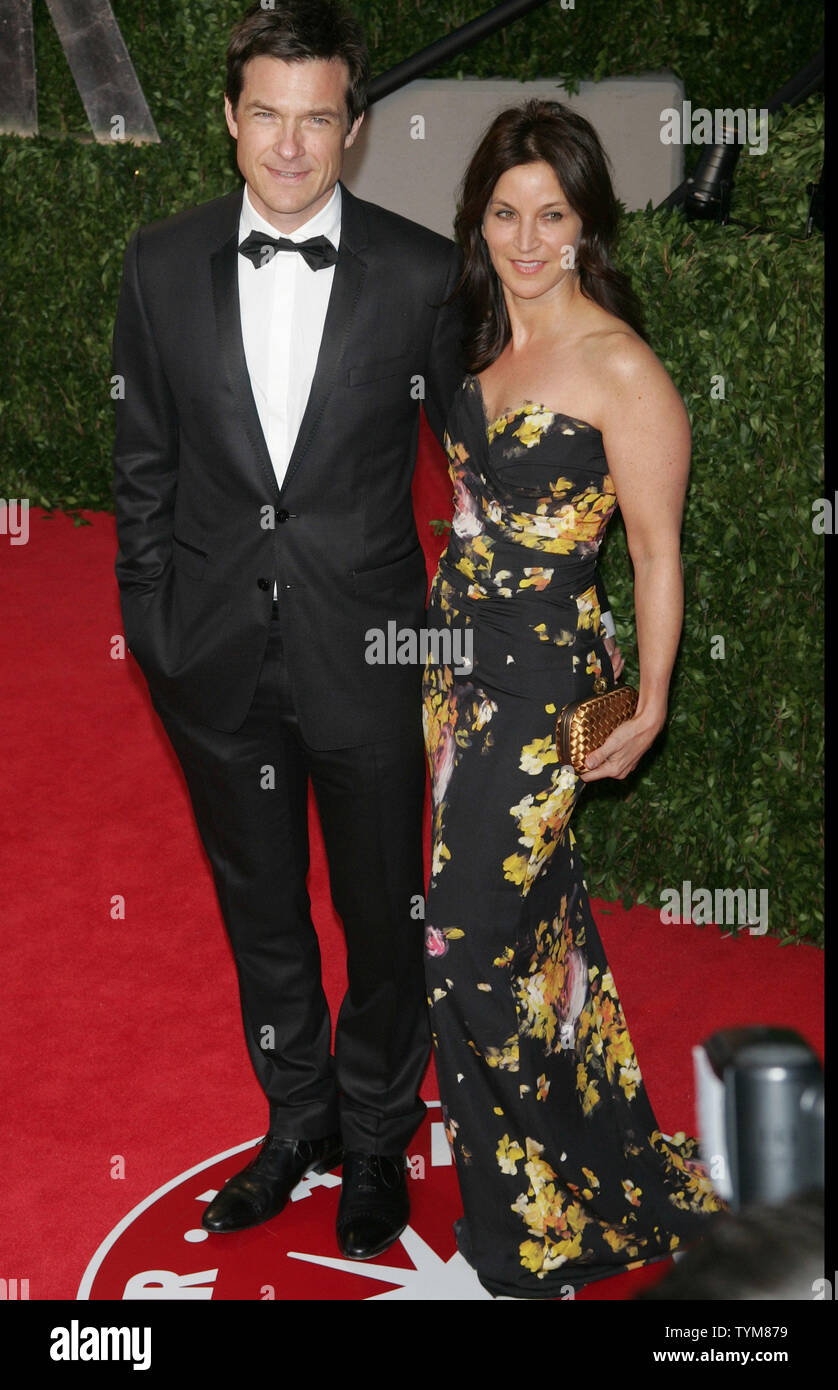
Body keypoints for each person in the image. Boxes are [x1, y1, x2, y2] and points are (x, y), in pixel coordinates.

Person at [111, 0, 469, 1261]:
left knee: (381, 914)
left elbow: (474, 475)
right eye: (266, 112)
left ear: (354, 130)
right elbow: (141, 464)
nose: (289, 143)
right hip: (211, 655)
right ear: (229, 117)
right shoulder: (159, 264)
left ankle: (376, 1138)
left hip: (369, 655)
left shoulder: (423, 272)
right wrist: (152, 624)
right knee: (260, 910)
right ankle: (296, 1120)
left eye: (317, 117)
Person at [422, 99, 725, 1299]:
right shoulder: (483, 344)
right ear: (478, 219)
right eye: (504, 213)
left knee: (465, 945)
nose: (526, 238)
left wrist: (645, 705)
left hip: (553, 695)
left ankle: (536, 1219)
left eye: (551, 214)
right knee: (539, 933)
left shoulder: (620, 367)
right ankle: (597, 1159)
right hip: (456, 684)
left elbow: (657, 553)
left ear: (587, 222)